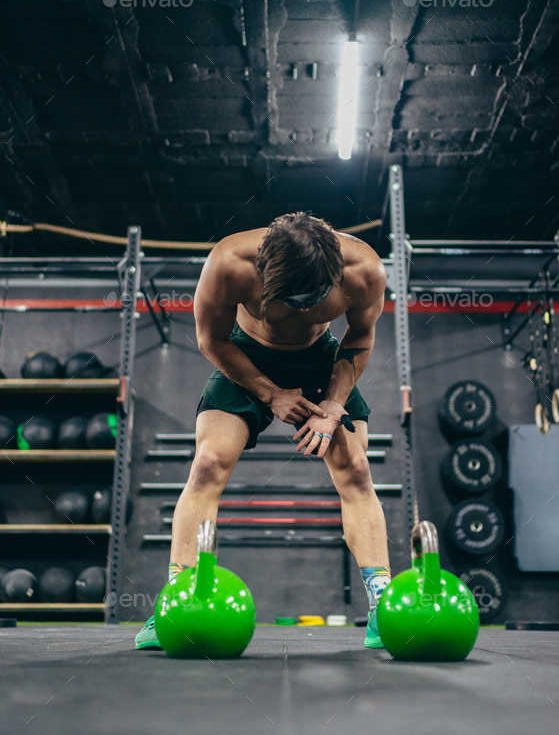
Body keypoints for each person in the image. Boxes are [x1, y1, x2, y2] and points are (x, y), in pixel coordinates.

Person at [135, 212, 391, 650]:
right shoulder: (229, 263)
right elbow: (211, 339)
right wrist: (269, 393)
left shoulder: (364, 271)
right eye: (287, 299)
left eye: (310, 299)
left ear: (334, 276)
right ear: (264, 273)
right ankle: (176, 602)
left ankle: (383, 607)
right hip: (247, 356)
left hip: (321, 361)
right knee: (207, 464)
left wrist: (332, 404)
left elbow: (360, 338)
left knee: (357, 469)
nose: (299, 311)